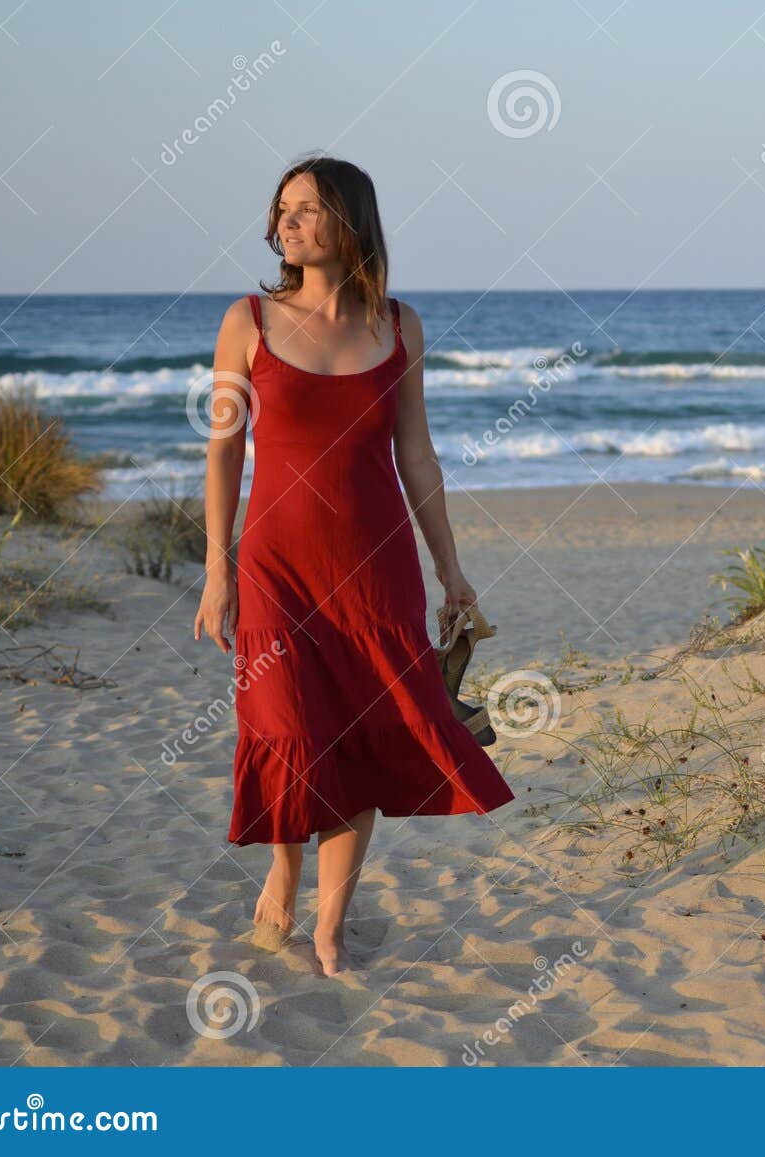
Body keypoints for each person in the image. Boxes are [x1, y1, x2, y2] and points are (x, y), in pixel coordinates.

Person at [194, 154, 515, 977]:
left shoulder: (398, 326)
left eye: (305, 209)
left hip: (374, 570)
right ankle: (285, 864)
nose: (286, 223)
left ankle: (331, 925)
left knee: (360, 740)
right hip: (277, 568)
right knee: (288, 729)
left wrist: (452, 571)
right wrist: (216, 568)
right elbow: (224, 449)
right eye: (281, 210)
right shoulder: (247, 322)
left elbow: (417, 453)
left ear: (350, 221)